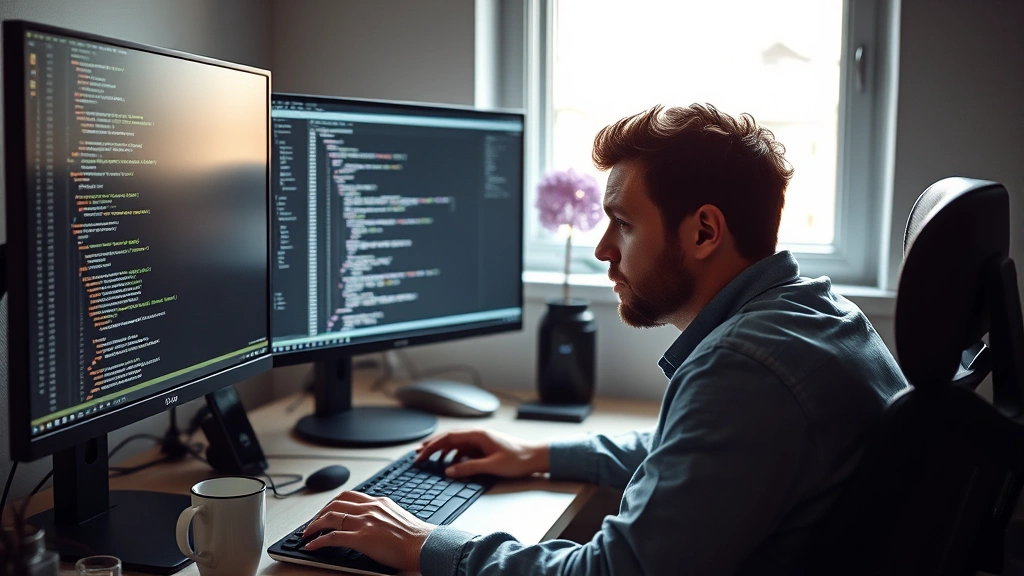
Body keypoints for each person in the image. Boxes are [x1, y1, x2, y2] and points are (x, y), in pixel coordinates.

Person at [300, 104, 910, 575]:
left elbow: (613, 571)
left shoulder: (745, 369)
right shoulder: (816, 316)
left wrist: (426, 544)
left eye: (622, 222)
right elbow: (691, 451)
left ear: (704, 231)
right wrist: (538, 456)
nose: (602, 250)